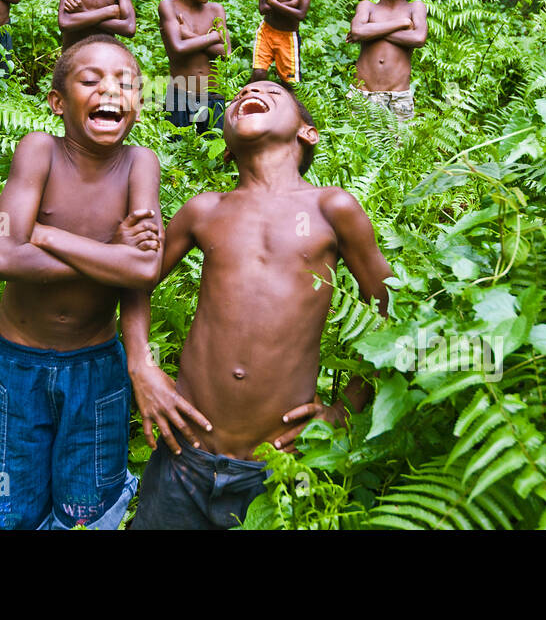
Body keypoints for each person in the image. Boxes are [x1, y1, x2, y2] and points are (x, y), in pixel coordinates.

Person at [121, 80, 392, 529]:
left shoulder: (332, 208)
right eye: (239, 96)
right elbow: (136, 282)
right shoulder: (204, 210)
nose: (253, 92)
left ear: (308, 132)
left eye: (274, 92)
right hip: (183, 454)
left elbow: (384, 305)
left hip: (277, 464)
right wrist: (141, 366)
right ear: (226, 148)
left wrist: (346, 407)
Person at [0, 35, 163, 530]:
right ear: (58, 102)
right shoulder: (39, 151)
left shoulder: (139, 164)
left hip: (96, 367)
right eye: (91, 80)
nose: (111, 90)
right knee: (12, 503)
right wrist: (111, 253)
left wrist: (46, 234)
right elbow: (6, 255)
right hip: (18, 366)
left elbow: (143, 270)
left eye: (127, 83)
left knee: (87, 506)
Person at [345, 0, 427, 121]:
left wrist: (371, 31)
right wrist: (402, 23)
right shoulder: (367, 6)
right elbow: (358, 31)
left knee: (397, 146)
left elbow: (418, 38)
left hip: (398, 98)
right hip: (362, 94)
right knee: (359, 144)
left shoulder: (415, 8)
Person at [158, 0, 230, 134]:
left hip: (214, 96)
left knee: (214, 154)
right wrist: (214, 37)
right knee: (180, 155)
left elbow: (226, 54)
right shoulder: (169, 7)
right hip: (181, 95)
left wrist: (189, 35)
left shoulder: (216, 10)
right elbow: (178, 48)